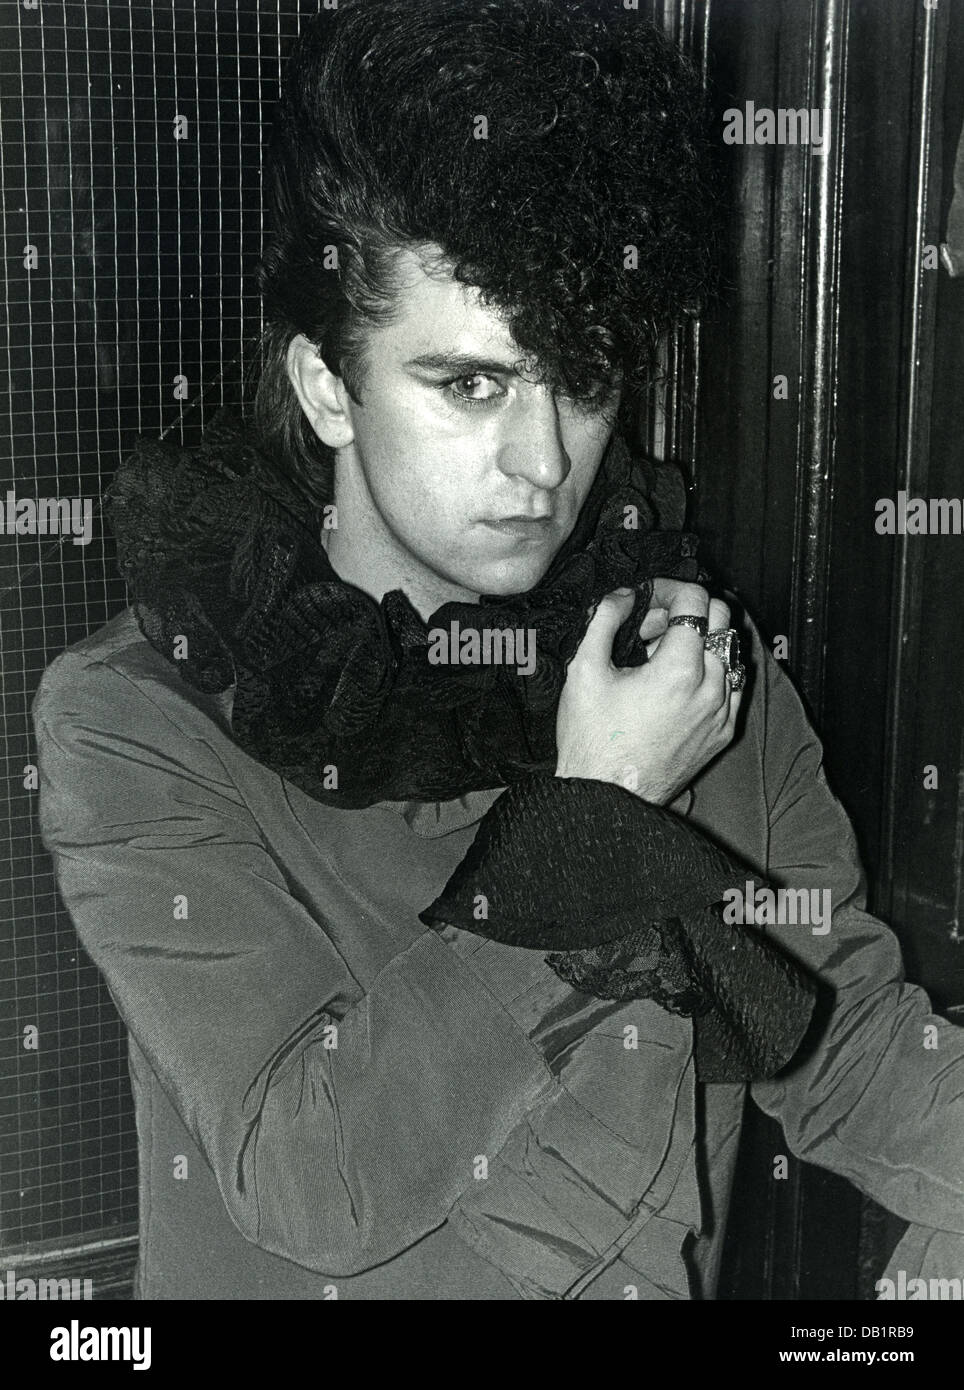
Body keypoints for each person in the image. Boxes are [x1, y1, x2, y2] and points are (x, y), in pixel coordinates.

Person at [33, 0, 964, 1300]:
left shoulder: (685, 666)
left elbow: (835, 1033)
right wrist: (593, 820)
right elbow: (314, 1171)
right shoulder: (139, 719)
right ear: (325, 385)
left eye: (578, 381)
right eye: (471, 383)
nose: (543, 460)